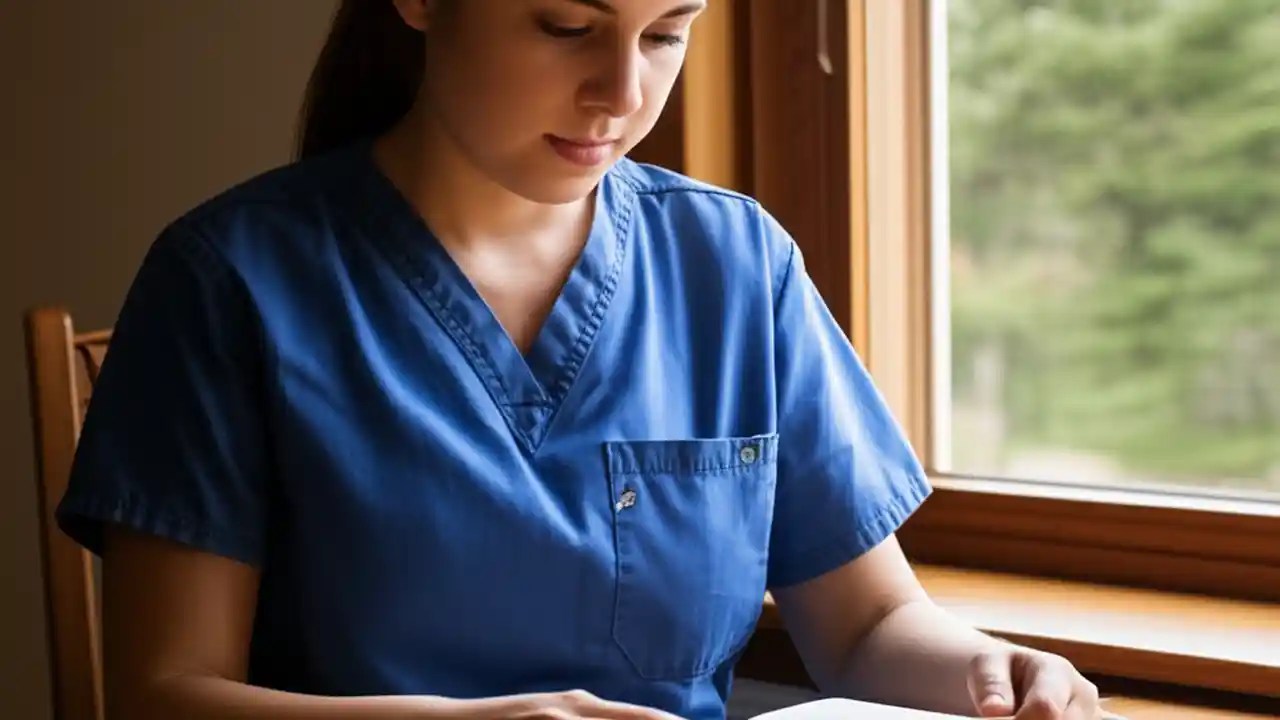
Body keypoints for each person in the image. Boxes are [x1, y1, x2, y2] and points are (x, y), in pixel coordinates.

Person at [55, 1, 1105, 719]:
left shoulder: (733, 263)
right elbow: (164, 695)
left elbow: (867, 623)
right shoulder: (230, 282)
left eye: (665, 31)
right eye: (566, 25)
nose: (620, 90)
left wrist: (987, 671)